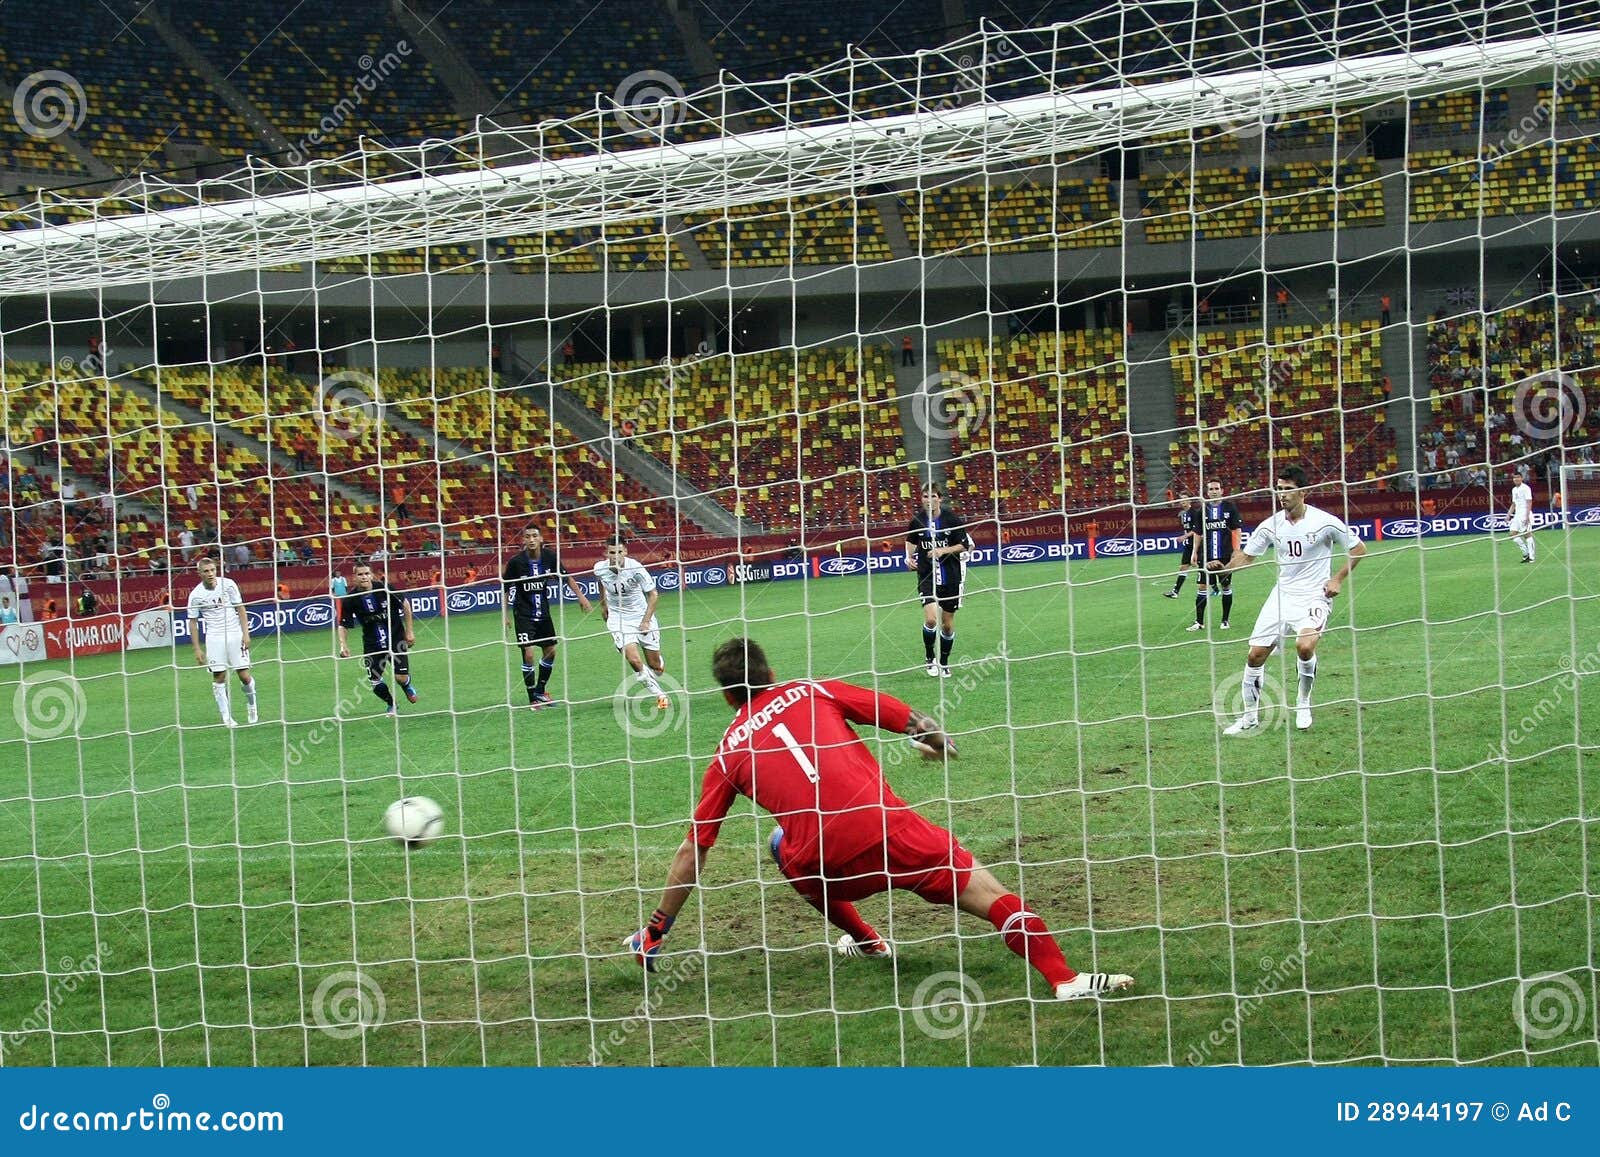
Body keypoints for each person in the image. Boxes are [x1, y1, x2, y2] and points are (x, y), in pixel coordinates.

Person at [626, 637, 1134, 1002]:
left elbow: (695, 849)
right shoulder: (813, 690)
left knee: (782, 844)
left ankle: (868, 941)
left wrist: (656, 929)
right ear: (771, 674)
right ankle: (1064, 979)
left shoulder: (725, 753)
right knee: (995, 897)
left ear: (726, 696)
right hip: (893, 833)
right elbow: (908, 718)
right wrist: (940, 743)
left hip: (829, 864)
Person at [1213, 465, 1365, 734]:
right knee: (1255, 655)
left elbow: (1358, 548)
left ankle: (1303, 702)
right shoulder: (1271, 525)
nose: (1282, 495)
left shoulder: (1324, 521)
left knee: (1305, 646)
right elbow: (1247, 556)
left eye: (1287, 490)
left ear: (1302, 492)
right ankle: (1249, 717)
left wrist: (1337, 579)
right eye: (1279, 490)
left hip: (1314, 596)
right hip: (1282, 596)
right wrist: (1224, 568)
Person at [501, 525, 591, 708]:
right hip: (523, 614)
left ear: (541, 538)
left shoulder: (550, 557)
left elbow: (567, 578)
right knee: (528, 653)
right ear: (523, 540)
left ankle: (540, 691)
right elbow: (505, 588)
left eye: (535, 536)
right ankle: (532, 698)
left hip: (543, 612)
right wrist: (505, 615)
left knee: (551, 651)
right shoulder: (516, 562)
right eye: (528, 536)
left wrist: (581, 597)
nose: (531, 539)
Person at [595, 536, 670, 710]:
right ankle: (660, 695)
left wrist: (645, 621)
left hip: (641, 617)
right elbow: (601, 582)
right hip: (618, 620)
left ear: (625, 552)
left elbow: (653, 594)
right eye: (612, 552)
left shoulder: (635, 568)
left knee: (655, 666)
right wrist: (604, 604)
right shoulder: (599, 568)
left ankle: (657, 666)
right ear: (606, 553)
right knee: (634, 659)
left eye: (619, 552)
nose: (615, 556)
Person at [903, 482, 969, 677]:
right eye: (925, 497)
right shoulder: (917, 520)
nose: (929, 500)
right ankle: (930, 657)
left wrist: (942, 550)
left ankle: (944, 662)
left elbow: (964, 545)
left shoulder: (952, 519)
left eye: (933, 496)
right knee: (931, 619)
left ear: (940, 498)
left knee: (947, 624)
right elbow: (910, 540)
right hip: (927, 575)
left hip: (951, 576)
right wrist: (908, 557)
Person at [185, 556, 257, 728]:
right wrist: (197, 649)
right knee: (219, 676)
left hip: (234, 633)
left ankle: (252, 705)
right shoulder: (195, 596)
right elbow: (193, 622)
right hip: (214, 637)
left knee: (244, 676)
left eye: (212, 570)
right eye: (206, 571)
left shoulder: (229, 584)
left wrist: (245, 634)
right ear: (199, 573)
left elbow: (241, 609)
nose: (210, 574)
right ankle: (226, 717)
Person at [337, 561, 417, 714]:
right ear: (354, 577)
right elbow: (343, 624)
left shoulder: (384, 588)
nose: (364, 577)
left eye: (366, 573)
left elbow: (405, 604)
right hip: (372, 643)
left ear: (371, 575)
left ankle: (406, 686)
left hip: (395, 638)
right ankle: (391, 703)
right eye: (360, 574)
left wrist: (410, 631)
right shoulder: (350, 599)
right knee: (374, 682)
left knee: (400, 678)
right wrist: (343, 644)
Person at [1190, 478, 1242, 631]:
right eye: (1211, 489)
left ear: (1221, 490)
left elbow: (1236, 529)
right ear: (1207, 492)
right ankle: (1199, 622)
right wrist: (1194, 552)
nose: (1214, 491)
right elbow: (1198, 533)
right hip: (1205, 556)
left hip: (1225, 555)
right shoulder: (1202, 510)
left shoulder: (1230, 508)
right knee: (1202, 586)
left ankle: (1225, 620)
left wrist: (1236, 551)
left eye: (1216, 488)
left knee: (1225, 585)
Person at [1164, 495, 1201, 598]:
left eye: (1184, 499)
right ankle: (1175, 592)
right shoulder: (1184, 514)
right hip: (1188, 545)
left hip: (1197, 544)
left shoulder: (1195, 513)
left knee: (1202, 567)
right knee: (1183, 567)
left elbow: (1197, 529)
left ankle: (1216, 589)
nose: (1182, 501)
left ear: (1189, 500)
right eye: (1180, 499)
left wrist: (1184, 536)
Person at [1506, 466, 1536, 563]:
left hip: (1524, 513)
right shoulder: (1514, 490)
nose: (1516, 479)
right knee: (1512, 534)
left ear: (1521, 478)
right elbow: (1514, 503)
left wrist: (1527, 516)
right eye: (1514, 478)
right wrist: (1509, 514)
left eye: (1518, 477)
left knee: (1527, 534)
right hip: (1517, 514)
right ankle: (1525, 553)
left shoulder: (1526, 488)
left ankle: (1532, 557)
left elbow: (1529, 502)